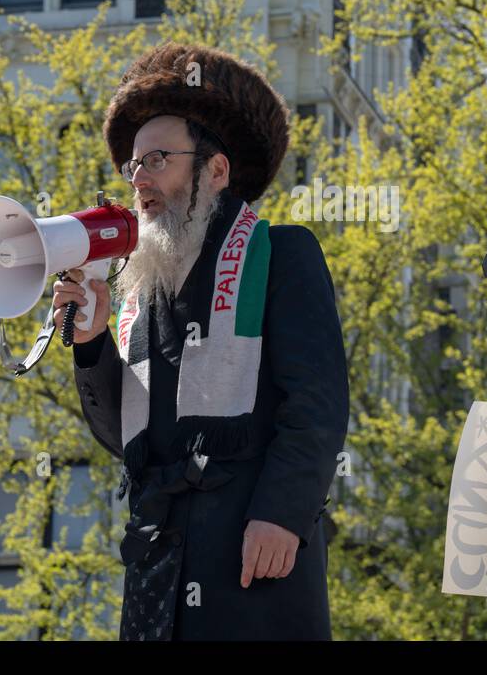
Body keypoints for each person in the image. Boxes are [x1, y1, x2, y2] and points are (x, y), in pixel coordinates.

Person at [53, 42, 350, 640]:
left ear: (215, 170)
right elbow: (128, 439)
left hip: (251, 557)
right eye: (133, 165)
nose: (138, 179)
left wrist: (282, 515)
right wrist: (91, 343)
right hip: (156, 569)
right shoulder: (142, 293)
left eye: (157, 159)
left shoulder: (284, 255)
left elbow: (316, 407)